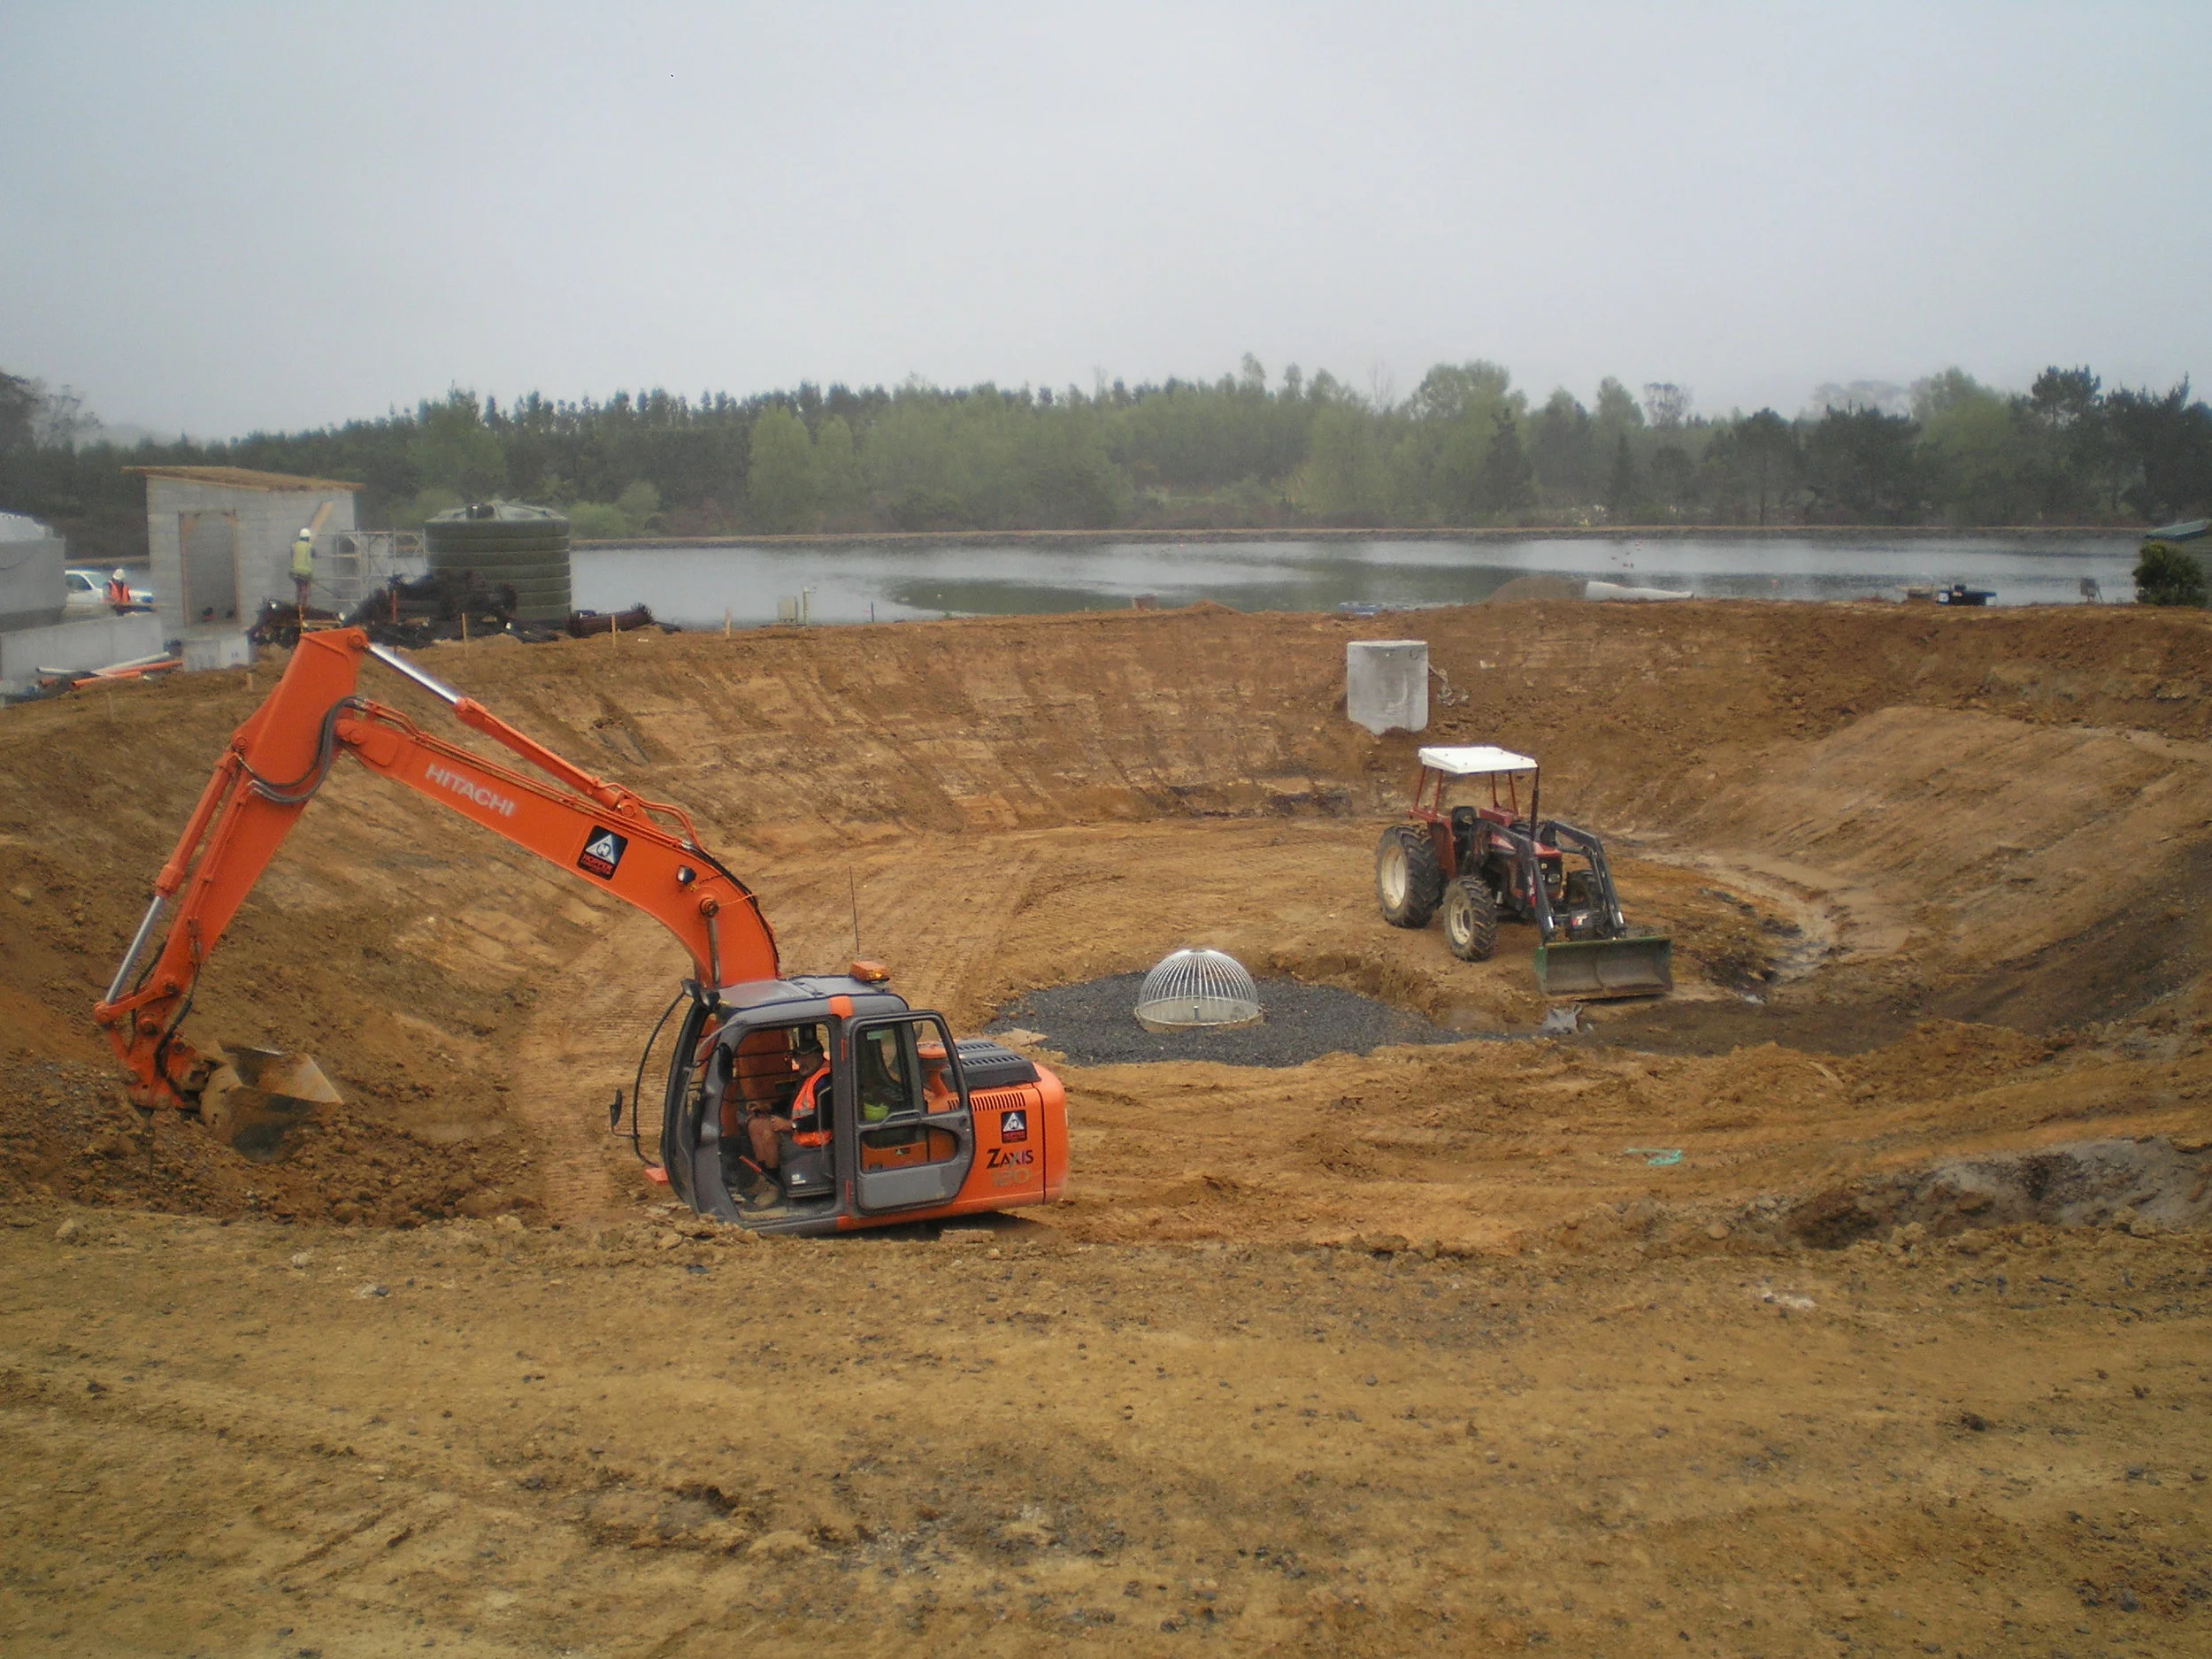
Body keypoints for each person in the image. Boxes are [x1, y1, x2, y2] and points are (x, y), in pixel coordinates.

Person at [290, 527, 314, 612]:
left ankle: (297, 603)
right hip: (305, 571)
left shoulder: (294, 546)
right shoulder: (309, 547)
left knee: (298, 587)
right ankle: (304, 605)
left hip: (295, 571)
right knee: (304, 588)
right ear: (308, 538)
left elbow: (292, 555)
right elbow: (314, 555)